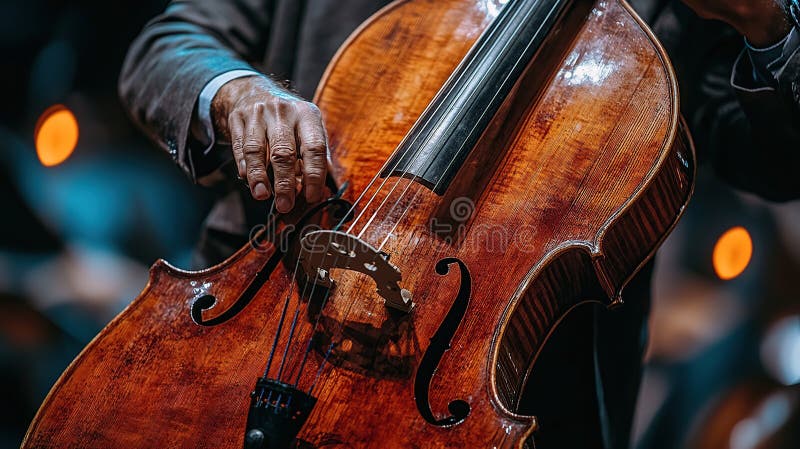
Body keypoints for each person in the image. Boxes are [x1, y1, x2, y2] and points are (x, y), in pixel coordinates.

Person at [119, 1, 800, 448]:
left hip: (503, 396)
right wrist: (238, 95)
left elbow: (779, 159)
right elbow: (168, 44)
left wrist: (770, 29)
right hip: (259, 337)